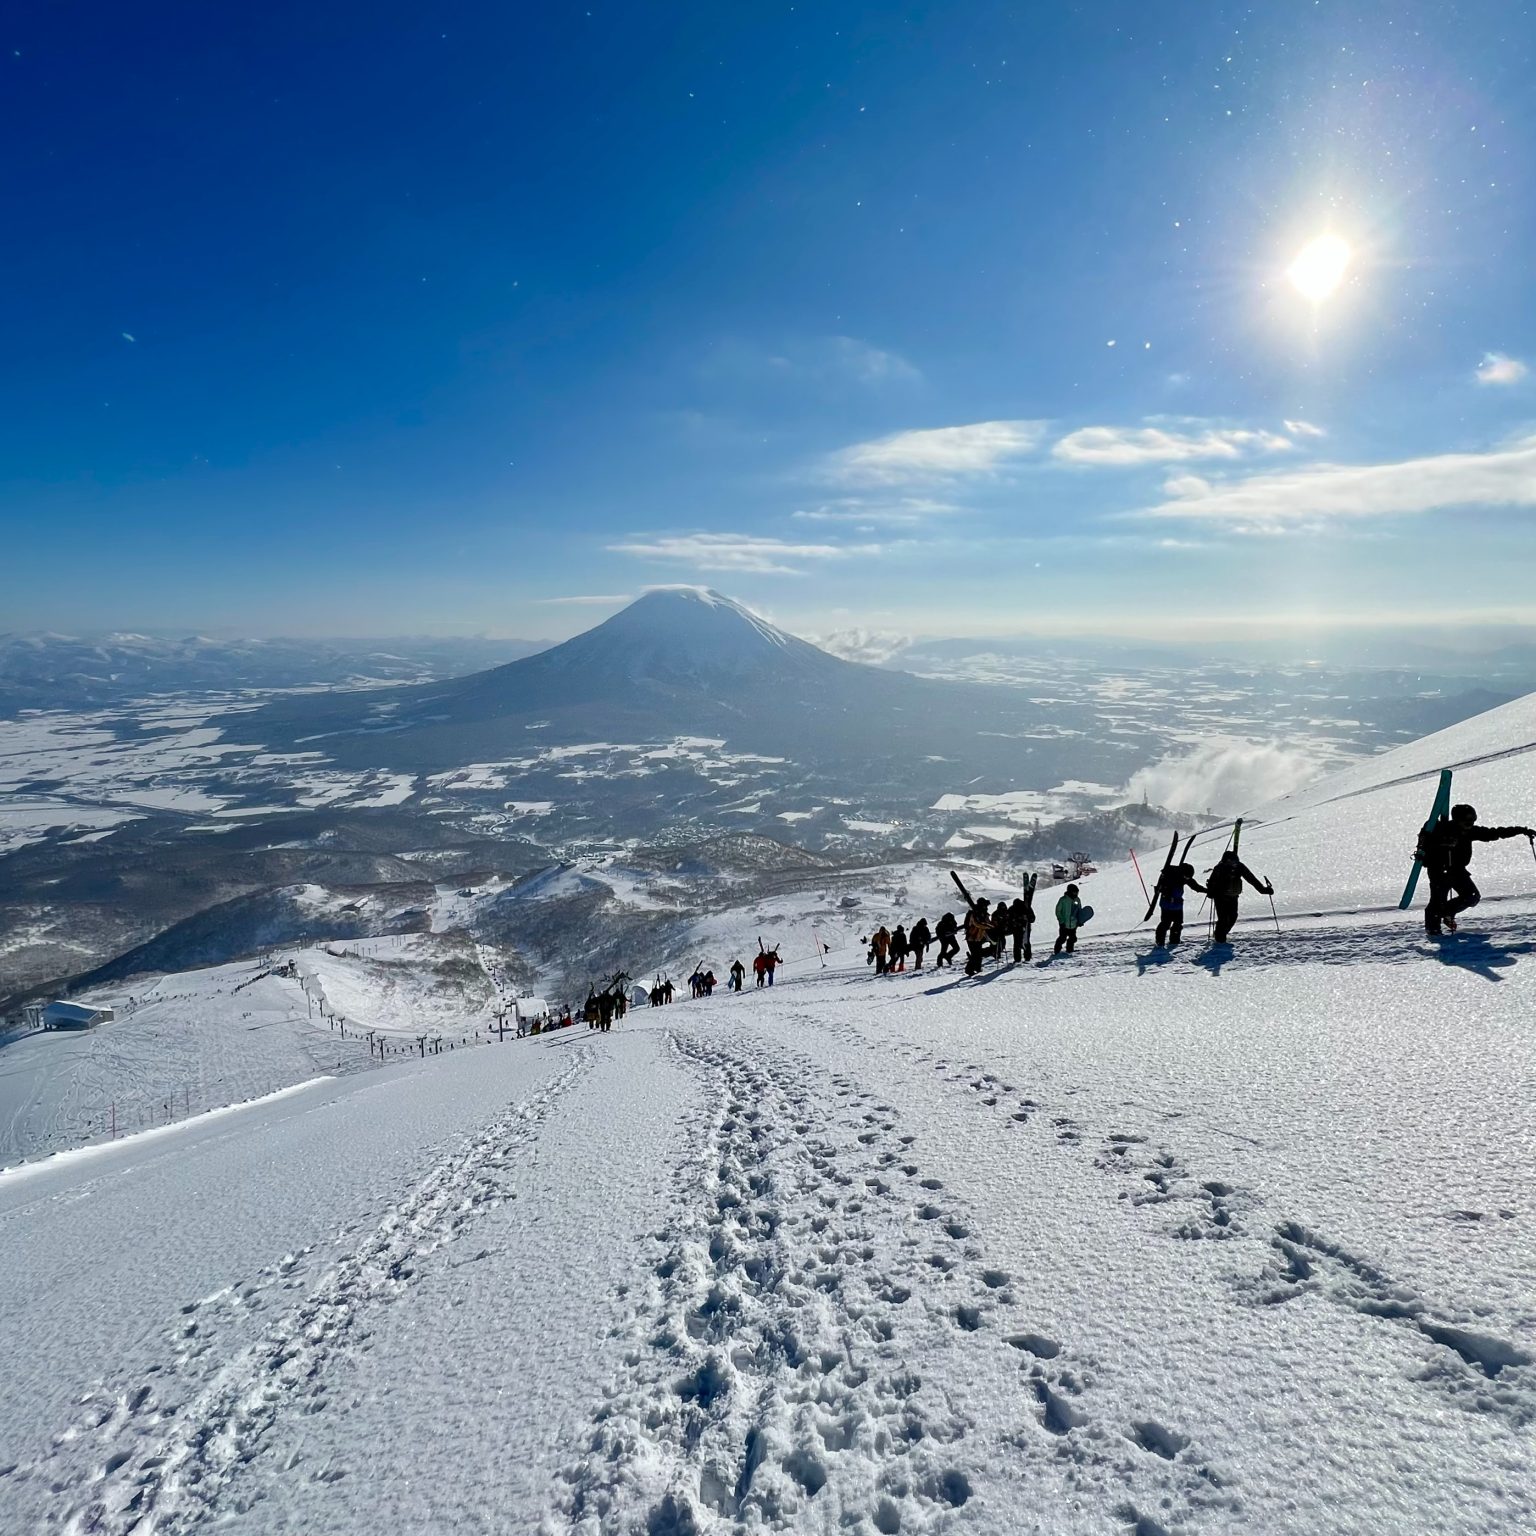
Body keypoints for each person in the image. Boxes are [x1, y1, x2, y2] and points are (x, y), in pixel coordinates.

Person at [1419, 803, 1534, 936]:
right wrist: (1443, 843)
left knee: (1472, 897)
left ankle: (1445, 912)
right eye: (1466, 820)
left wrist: (1522, 830)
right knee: (1437, 901)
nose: (1470, 823)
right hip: (1439, 871)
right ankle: (1433, 930)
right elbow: (1427, 843)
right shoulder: (1441, 829)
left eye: (1473, 820)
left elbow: (1495, 833)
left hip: (1458, 870)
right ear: (1457, 819)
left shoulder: (1470, 831)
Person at [1206, 849, 1272, 944]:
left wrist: (1263, 890)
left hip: (1233, 896)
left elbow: (1251, 879)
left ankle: (1220, 934)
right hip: (1220, 897)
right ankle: (1220, 939)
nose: (1233, 864)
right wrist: (1211, 892)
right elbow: (1212, 882)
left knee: (1233, 917)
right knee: (1223, 919)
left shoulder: (1239, 867)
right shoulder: (1219, 868)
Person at [1153, 862, 1205, 947]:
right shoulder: (1170, 876)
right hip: (1168, 904)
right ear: (1183, 873)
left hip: (1177, 905)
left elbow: (1195, 886)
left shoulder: (1183, 876)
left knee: (1177, 923)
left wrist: (1207, 891)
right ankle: (1160, 942)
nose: (1187, 878)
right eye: (1187, 876)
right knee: (1166, 923)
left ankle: (1174, 941)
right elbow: (1162, 888)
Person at [964, 898, 991, 975]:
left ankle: (977, 968)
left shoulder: (983, 913)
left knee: (977, 954)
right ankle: (969, 969)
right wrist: (990, 926)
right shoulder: (974, 913)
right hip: (972, 937)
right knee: (976, 954)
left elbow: (987, 922)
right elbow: (977, 924)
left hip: (979, 936)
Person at [1053, 884, 1081, 955]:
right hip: (1064, 924)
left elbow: (1079, 911)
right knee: (1062, 938)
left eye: (1077, 892)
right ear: (1070, 891)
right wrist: (1061, 921)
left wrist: (1079, 921)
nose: (1076, 893)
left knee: (1073, 938)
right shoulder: (1063, 900)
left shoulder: (1077, 900)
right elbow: (1058, 911)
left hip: (1073, 924)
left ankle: (1069, 951)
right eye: (1074, 892)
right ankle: (1057, 951)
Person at [1008, 894, 1033, 962]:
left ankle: (1018, 958)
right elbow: (1032, 918)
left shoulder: (1012, 908)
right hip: (1021, 928)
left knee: (1018, 943)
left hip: (1020, 928)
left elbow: (1008, 920)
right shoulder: (1026, 907)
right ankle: (1027, 957)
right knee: (1025, 942)